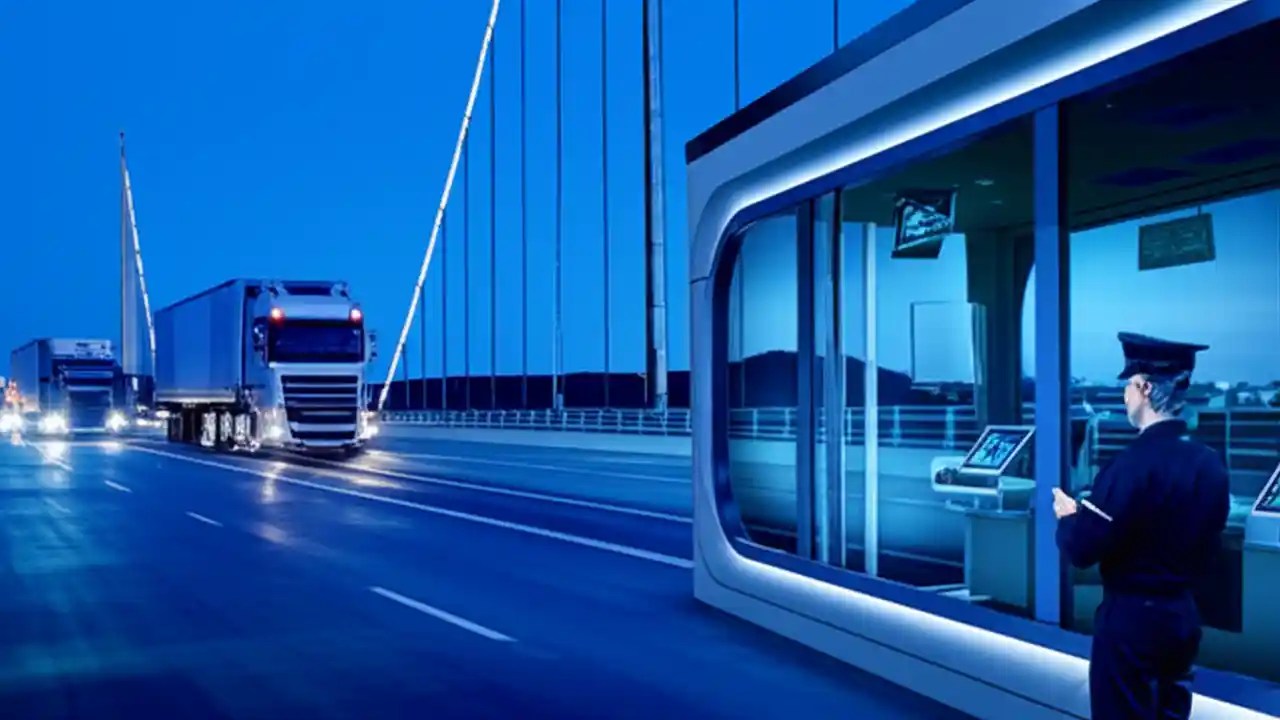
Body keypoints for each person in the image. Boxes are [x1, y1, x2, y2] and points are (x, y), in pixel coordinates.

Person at [1053, 332, 1230, 720]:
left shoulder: (1130, 465)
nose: (1125, 396)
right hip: (1182, 619)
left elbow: (1082, 550)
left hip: (1132, 622)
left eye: (1129, 386)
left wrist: (1069, 518)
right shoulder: (1211, 463)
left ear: (1146, 387)